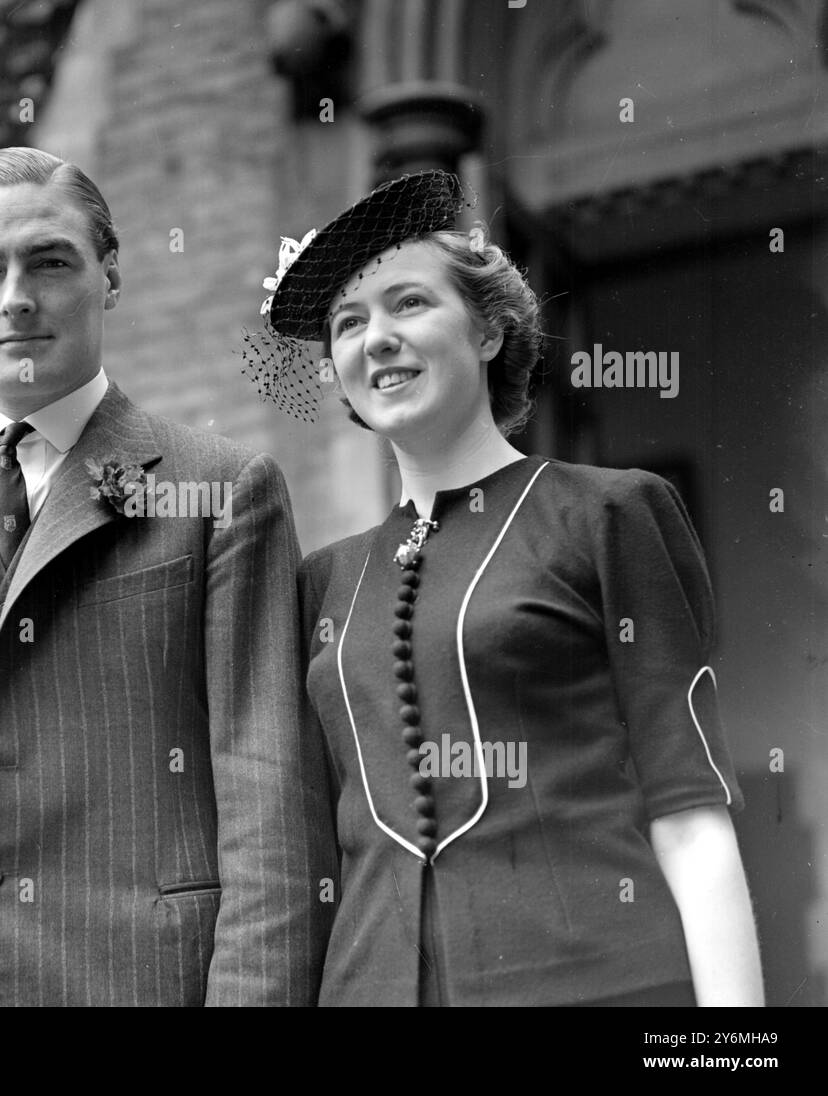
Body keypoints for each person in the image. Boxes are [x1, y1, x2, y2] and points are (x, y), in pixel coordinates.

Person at [0, 146, 336, 1006]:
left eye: (50, 261)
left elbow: (266, 793)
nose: (16, 297)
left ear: (110, 276)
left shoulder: (221, 489)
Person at [246, 170, 763, 1006]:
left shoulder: (608, 514)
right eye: (348, 323)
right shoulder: (322, 582)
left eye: (409, 304)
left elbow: (689, 809)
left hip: (599, 983)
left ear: (488, 332)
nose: (375, 339)